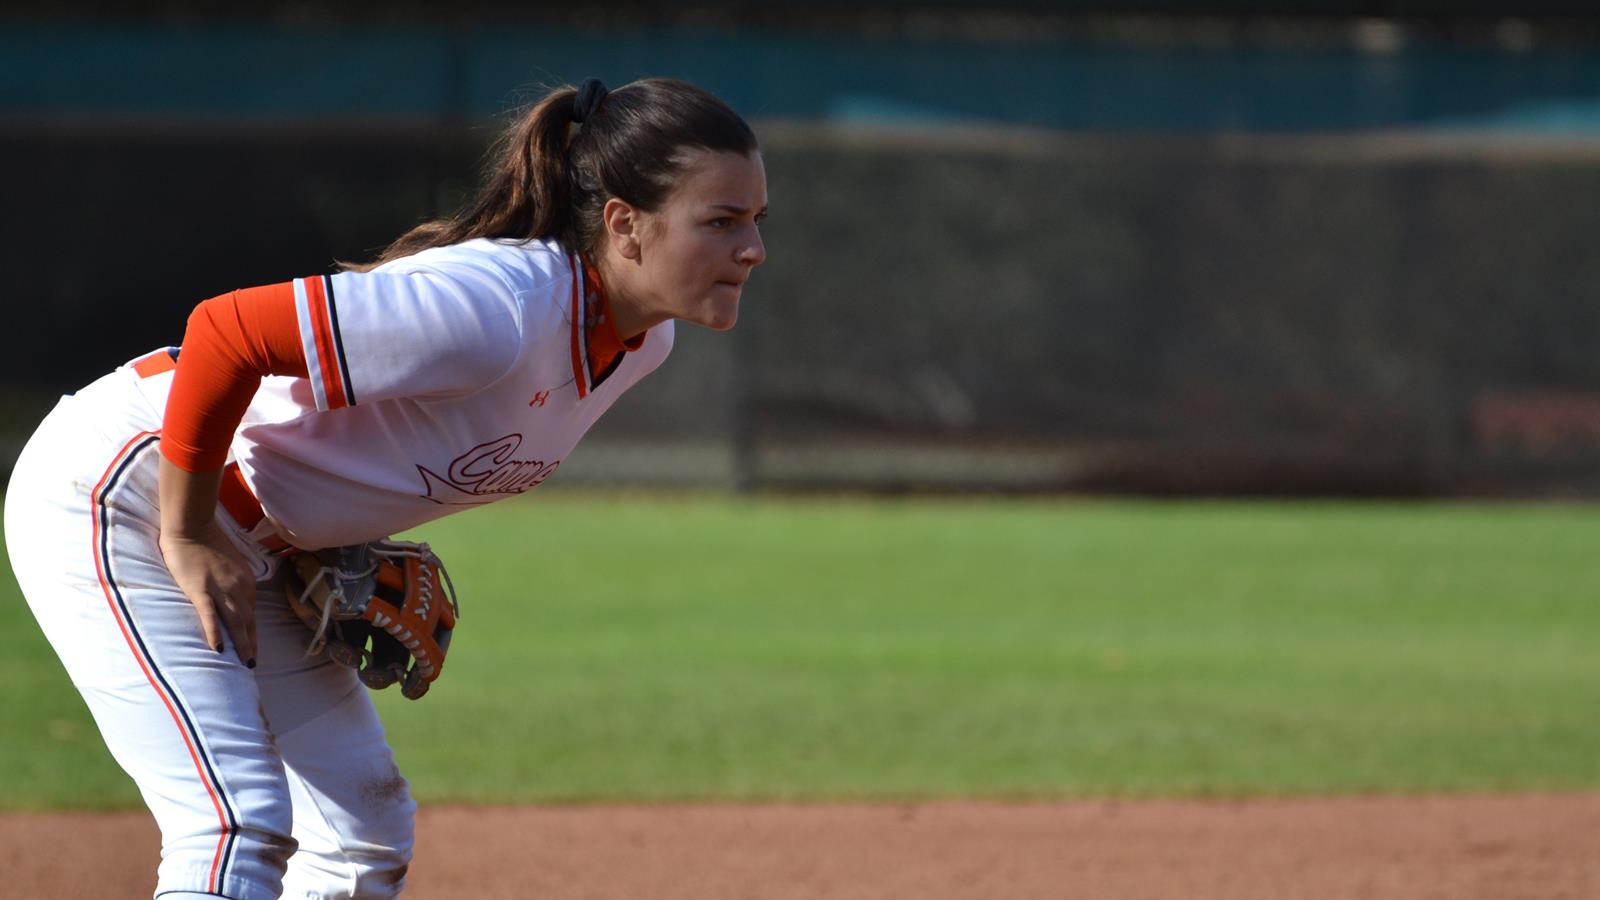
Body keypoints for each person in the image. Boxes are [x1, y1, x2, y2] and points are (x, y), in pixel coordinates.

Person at [3, 76, 766, 899]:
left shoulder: (641, 345)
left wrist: (327, 537)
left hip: (262, 538)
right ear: (624, 224)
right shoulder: (496, 308)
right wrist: (186, 534)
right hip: (130, 488)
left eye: (757, 221)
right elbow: (226, 332)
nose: (752, 248)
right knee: (232, 823)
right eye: (721, 222)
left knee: (360, 839)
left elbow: (367, 439)